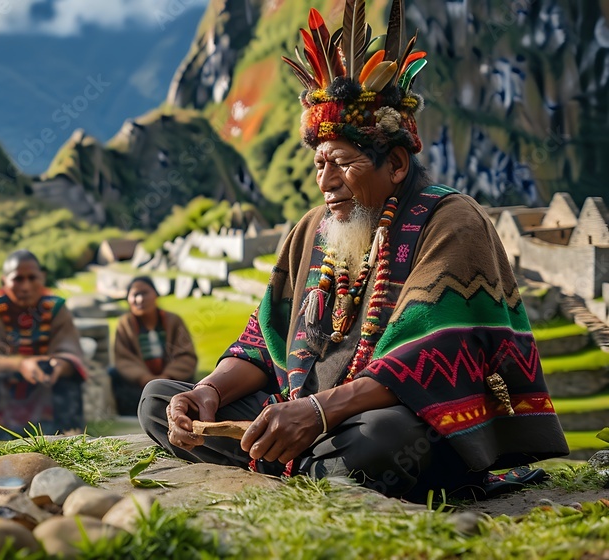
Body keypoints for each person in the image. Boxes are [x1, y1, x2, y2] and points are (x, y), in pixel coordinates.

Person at [138, 0, 568, 501]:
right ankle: (307, 464)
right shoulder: (311, 230)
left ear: (398, 164)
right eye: (319, 164)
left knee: (384, 440)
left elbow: (433, 354)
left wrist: (319, 413)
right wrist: (208, 391)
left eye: (341, 161)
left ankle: (293, 459)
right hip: (303, 413)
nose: (325, 180)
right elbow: (263, 342)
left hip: (384, 420)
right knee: (159, 400)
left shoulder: (452, 221)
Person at [0, 250, 86, 437]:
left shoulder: (56, 307)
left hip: (44, 389)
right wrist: (21, 365)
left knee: (68, 381)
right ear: (4, 282)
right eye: (18, 279)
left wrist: (58, 366)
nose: (25, 287)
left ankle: (68, 437)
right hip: (2, 390)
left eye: (32, 278)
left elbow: (71, 354)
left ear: (42, 278)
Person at [110, 276, 197, 416]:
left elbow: (186, 356)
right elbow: (123, 359)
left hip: (172, 382)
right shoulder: (125, 324)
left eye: (144, 293)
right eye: (134, 295)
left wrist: (167, 376)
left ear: (155, 295)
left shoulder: (173, 321)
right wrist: (144, 377)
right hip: (138, 386)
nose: (139, 299)